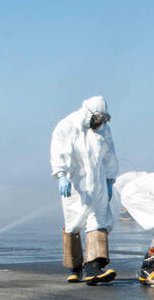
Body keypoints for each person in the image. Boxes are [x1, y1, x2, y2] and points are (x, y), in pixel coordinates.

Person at [50, 95, 118, 284]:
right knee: (73, 222)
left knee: (98, 220)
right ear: (88, 114)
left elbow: (110, 154)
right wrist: (61, 174)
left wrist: (110, 181)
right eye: (98, 119)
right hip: (76, 184)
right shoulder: (68, 126)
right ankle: (75, 267)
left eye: (103, 119)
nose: (100, 122)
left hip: (98, 183)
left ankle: (94, 267)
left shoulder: (104, 131)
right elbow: (58, 149)